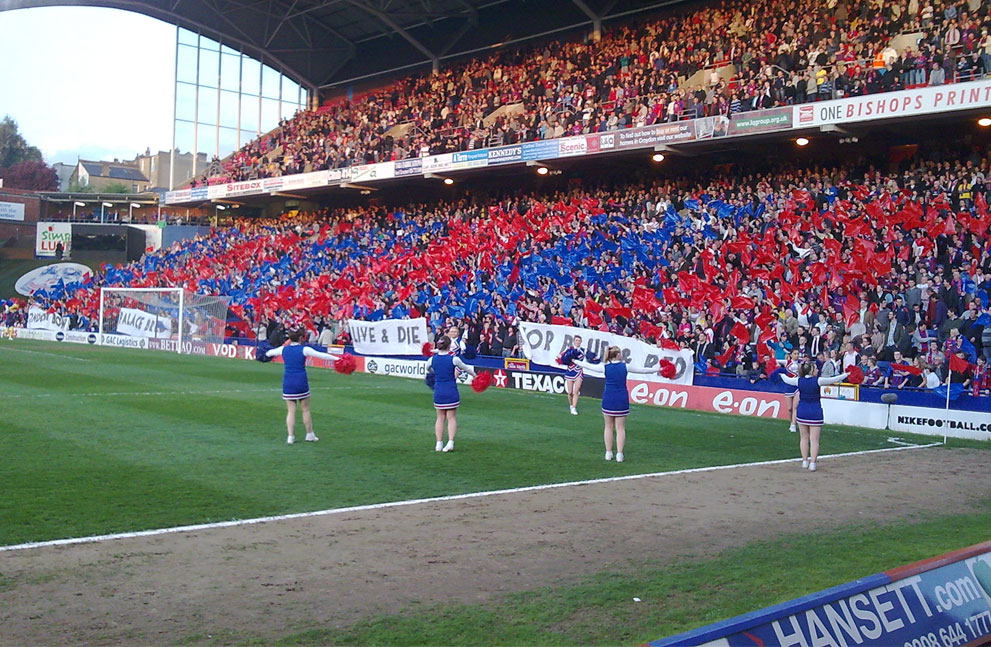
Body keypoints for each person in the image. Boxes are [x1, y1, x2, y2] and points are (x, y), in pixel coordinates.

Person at [573, 346, 657, 463]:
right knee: (620, 428)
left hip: (608, 397)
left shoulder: (604, 367)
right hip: (621, 398)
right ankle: (619, 454)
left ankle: (608, 453)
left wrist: (574, 360)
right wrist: (659, 369)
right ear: (617, 355)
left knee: (608, 426)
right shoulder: (625, 366)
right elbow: (643, 370)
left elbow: (588, 366)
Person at [265, 327, 344, 445]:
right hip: (301, 380)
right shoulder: (304, 349)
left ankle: (290, 437)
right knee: (305, 409)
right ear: (301, 338)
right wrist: (338, 358)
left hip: (288, 381)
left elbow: (268, 353)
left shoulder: (283, 349)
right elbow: (322, 355)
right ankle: (309, 434)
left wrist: (262, 353)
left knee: (291, 411)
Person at [781, 362, 849, 472]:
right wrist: (846, 374)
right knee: (814, 440)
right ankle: (812, 463)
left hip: (802, 411)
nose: (817, 370)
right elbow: (834, 379)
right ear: (811, 370)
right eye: (816, 368)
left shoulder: (798, 380)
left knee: (803, 438)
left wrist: (780, 373)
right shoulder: (818, 380)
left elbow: (786, 379)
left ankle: (804, 461)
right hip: (815, 412)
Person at [427, 335, 476, 452]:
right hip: (451, 390)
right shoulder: (454, 359)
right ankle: (450, 442)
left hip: (438, 391)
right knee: (451, 418)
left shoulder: (431, 360)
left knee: (440, 418)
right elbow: (467, 369)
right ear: (449, 346)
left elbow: (428, 370)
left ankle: (438, 444)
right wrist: (476, 377)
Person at [557, 334, 591, 415]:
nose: (577, 342)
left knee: (576, 391)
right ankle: (571, 405)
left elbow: (589, 358)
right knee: (570, 392)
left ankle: (574, 407)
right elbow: (561, 357)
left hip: (579, 372)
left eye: (579, 340)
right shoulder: (569, 350)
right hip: (570, 372)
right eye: (576, 340)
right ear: (573, 341)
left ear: (581, 342)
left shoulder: (583, 351)